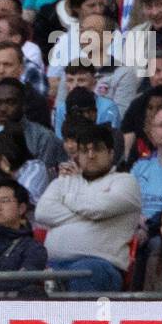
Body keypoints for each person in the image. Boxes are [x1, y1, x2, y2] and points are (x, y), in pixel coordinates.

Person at [34, 124, 143, 292]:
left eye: (97, 150)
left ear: (111, 153)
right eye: (85, 151)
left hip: (98, 266)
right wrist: (87, 215)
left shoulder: (126, 182)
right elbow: (42, 213)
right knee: (24, 275)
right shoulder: (63, 181)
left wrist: (69, 198)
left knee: (85, 273)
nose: (91, 155)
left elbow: (97, 209)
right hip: (53, 265)